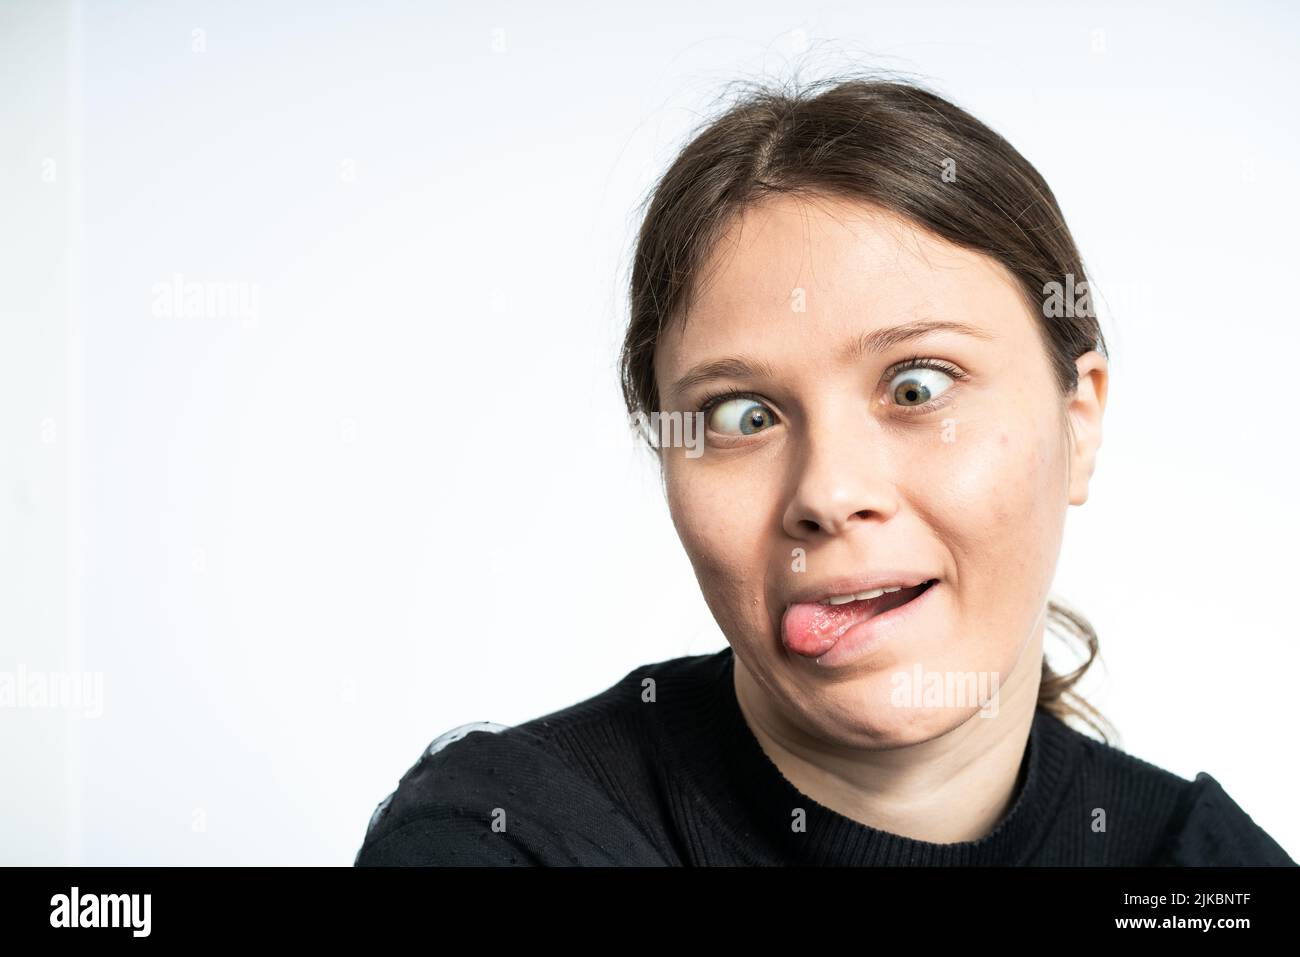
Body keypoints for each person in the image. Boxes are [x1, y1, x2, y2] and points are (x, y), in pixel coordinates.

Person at [355, 75, 1294, 866]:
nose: (829, 493)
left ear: (1078, 418)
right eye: (743, 416)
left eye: (919, 386)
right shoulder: (508, 840)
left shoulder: (1202, 879)